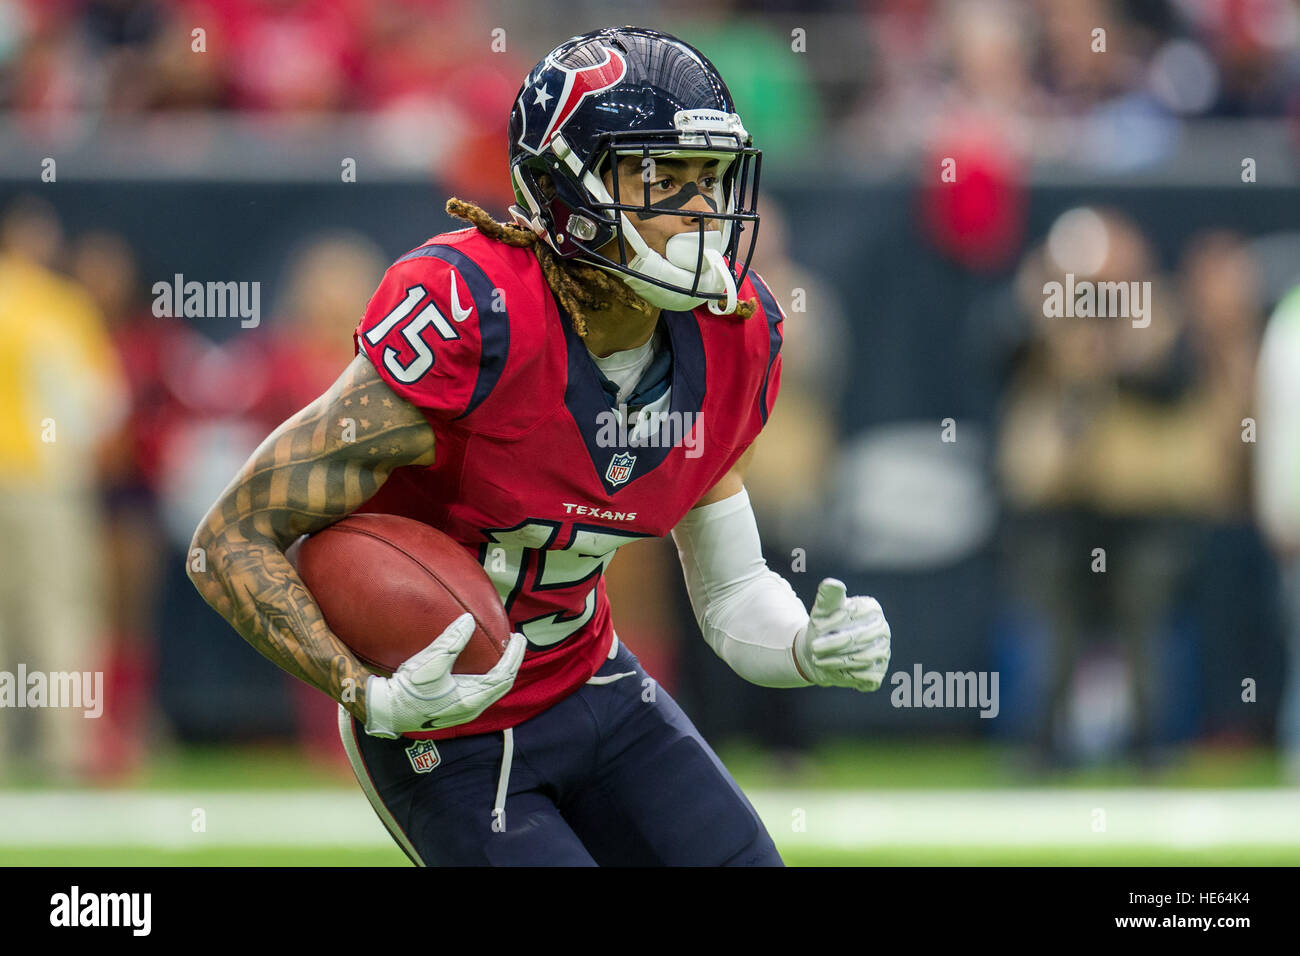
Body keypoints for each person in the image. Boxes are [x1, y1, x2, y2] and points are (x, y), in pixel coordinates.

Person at [187, 26, 892, 866]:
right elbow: (229, 538)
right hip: (447, 727)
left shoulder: (732, 338)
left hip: (596, 684)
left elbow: (733, 587)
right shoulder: (475, 319)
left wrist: (803, 648)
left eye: (711, 178)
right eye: (666, 179)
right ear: (570, 190)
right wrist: (367, 693)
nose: (704, 210)